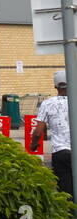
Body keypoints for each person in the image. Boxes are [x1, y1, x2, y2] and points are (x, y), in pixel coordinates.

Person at [32, 71, 72, 199]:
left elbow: (38, 132)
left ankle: (70, 216)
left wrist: (33, 145)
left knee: (66, 193)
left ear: (55, 86)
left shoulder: (47, 103)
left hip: (60, 152)